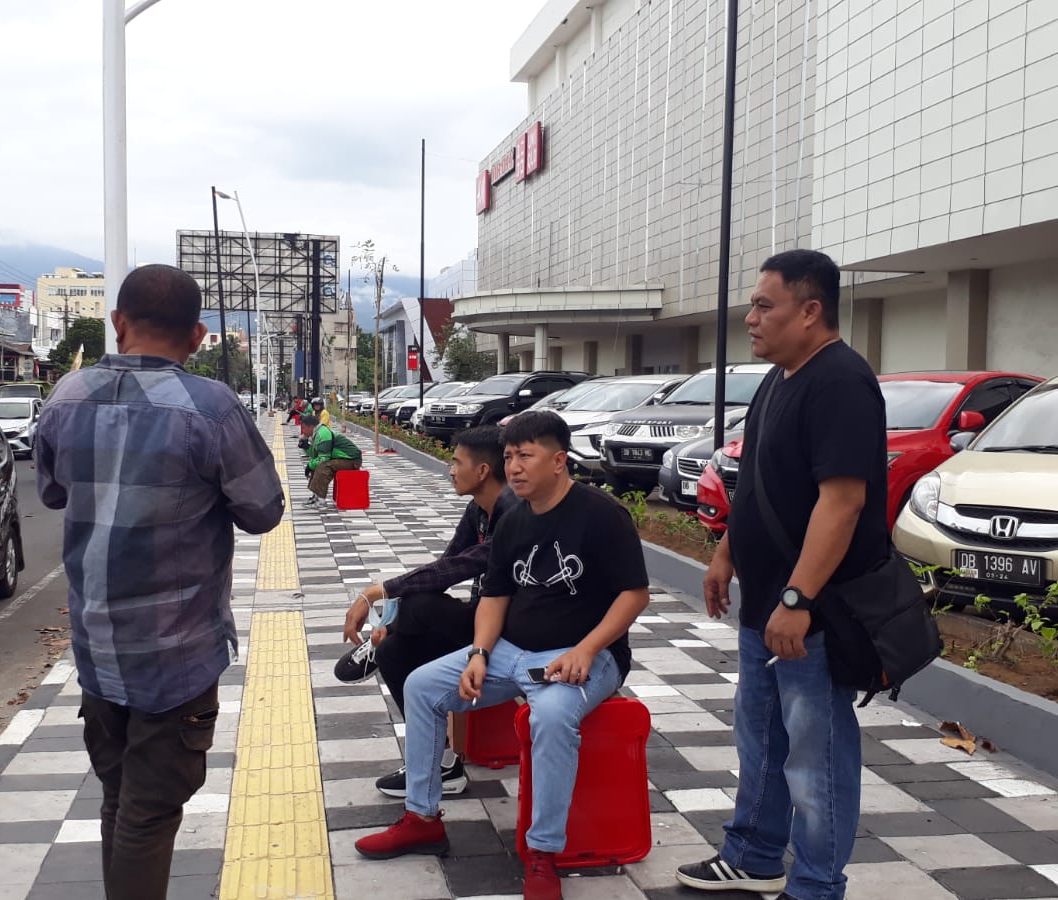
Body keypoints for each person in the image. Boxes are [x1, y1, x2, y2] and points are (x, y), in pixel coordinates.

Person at [34, 264, 285, 900]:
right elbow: (264, 511)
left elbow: (53, 492)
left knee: (120, 798)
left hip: (95, 644)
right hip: (177, 651)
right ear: (198, 335)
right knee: (148, 813)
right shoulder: (212, 409)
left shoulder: (65, 397)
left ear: (118, 323)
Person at [354, 410, 651, 900]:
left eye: (525, 456)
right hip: (513, 651)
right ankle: (422, 818)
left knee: (551, 716)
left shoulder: (601, 514)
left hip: (587, 657)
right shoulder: (512, 518)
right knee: (423, 686)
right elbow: (494, 596)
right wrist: (478, 653)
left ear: (558, 460)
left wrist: (587, 648)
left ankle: (542, 855)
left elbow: (634, 595)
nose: (514, 467)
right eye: (509, 456)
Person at [676, 250, 888, 900]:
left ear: (811, 309)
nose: (751, 317)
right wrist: (726, 554)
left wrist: (799, 598)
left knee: (815, 757)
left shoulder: (841, 382)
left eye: (765, 305)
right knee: (762, 740)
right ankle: (755, 854)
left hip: (812, 616)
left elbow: (843, 501)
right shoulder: (780, 378)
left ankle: (817, 885)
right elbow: (759, 483)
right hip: (765, 606)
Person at [338, 425, 518, 798]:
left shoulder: (515, 514)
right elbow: (447, 565)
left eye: (456, 462)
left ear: (482, 471)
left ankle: (393, 630)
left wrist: (377, 592)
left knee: (418, 605)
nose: (450, 470)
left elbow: (466, 565)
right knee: (394, 649)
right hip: (482, 622)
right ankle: (440, 764)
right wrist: (391, 615)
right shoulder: (478, 511)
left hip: (512, 635)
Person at [303, 414, 363, 508]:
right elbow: (316, 455)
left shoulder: (322, 433)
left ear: (310, 426)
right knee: (317, 464)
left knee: (324, 466)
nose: (303, 431)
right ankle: (316, 496)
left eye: (304, 428)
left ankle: (321, 500)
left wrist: (309, 466)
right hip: (341, 459)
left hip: (351, 460)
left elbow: (324, 458)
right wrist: (305, 447)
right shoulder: (317, 433)